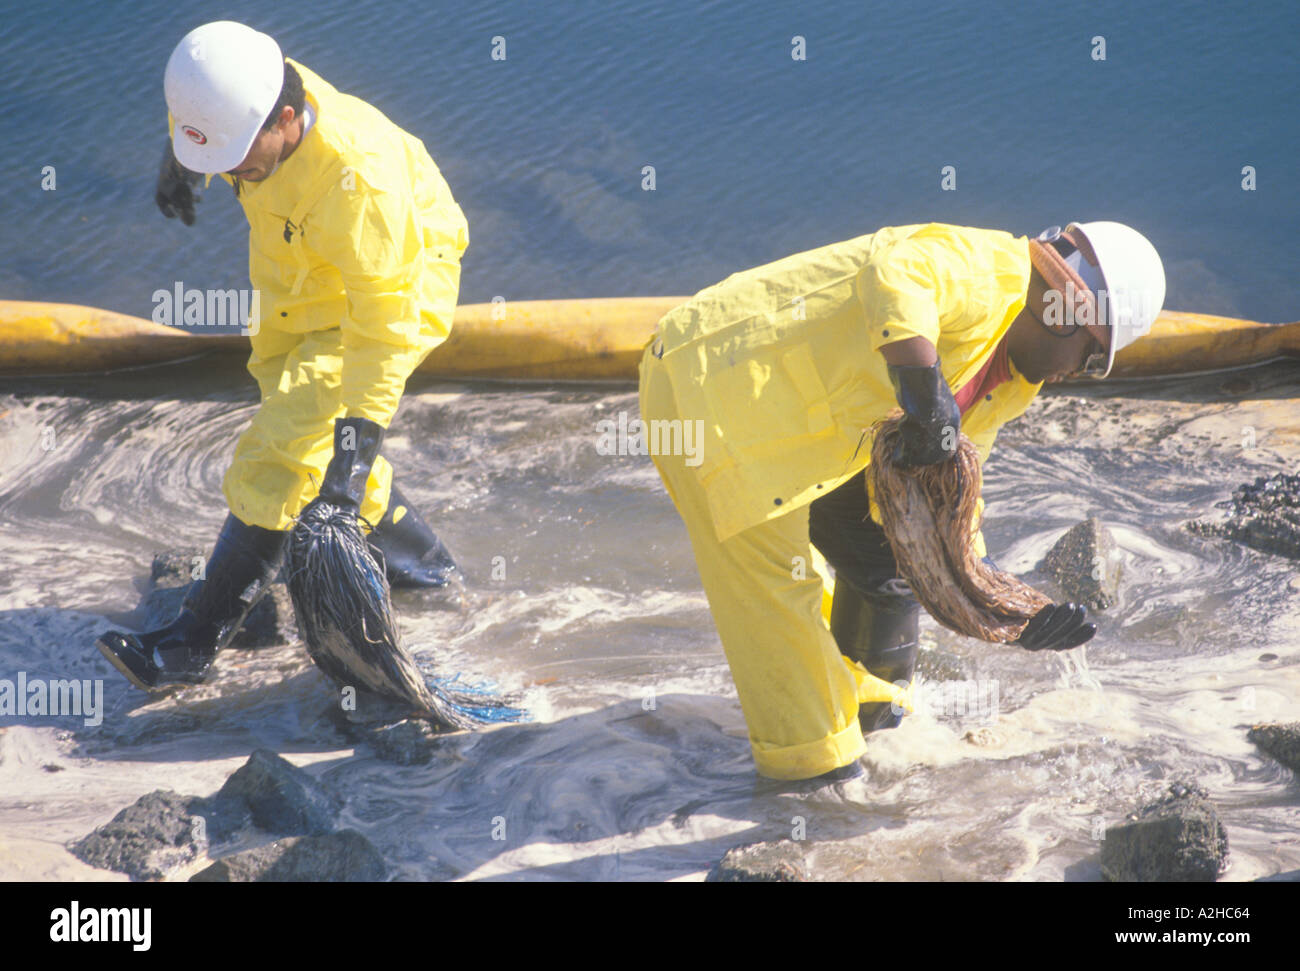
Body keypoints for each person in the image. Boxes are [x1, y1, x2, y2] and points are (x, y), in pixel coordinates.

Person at [638, 221, 1165, 782]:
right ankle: (814, 773)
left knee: (897, 568)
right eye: (1090, 358)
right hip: (713, 392)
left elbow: (952, 500)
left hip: (817, 440)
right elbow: (896, 275)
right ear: (1067, 306)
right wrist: (926, 395)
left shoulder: (1010, 382)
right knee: (776, 593)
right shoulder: (987, 269)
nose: (1071, 378)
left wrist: (1000, 606)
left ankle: (874, 721)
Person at [98, 20, 468, 692]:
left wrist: (352, 465)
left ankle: (190, 642)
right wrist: (182, 162)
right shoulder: (234, 85)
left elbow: (382, 332)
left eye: (235, 161)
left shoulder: (363, 186)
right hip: (299, 271)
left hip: (392, 278)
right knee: (293, 414)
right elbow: (202, 118)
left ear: (288, 120)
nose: (231, 172)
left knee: (282, 452)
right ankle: (430, 574)